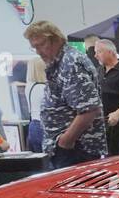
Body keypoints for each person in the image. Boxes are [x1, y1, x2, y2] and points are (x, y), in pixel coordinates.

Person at [23, 20, 106, 167]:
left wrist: (65, 141)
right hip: (69, 149)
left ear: (55, 39)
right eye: (34, 47)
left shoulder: (70, 63)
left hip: (75, 151)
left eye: (41, 45)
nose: (38, 51)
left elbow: (90, 109)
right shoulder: (60, 62)